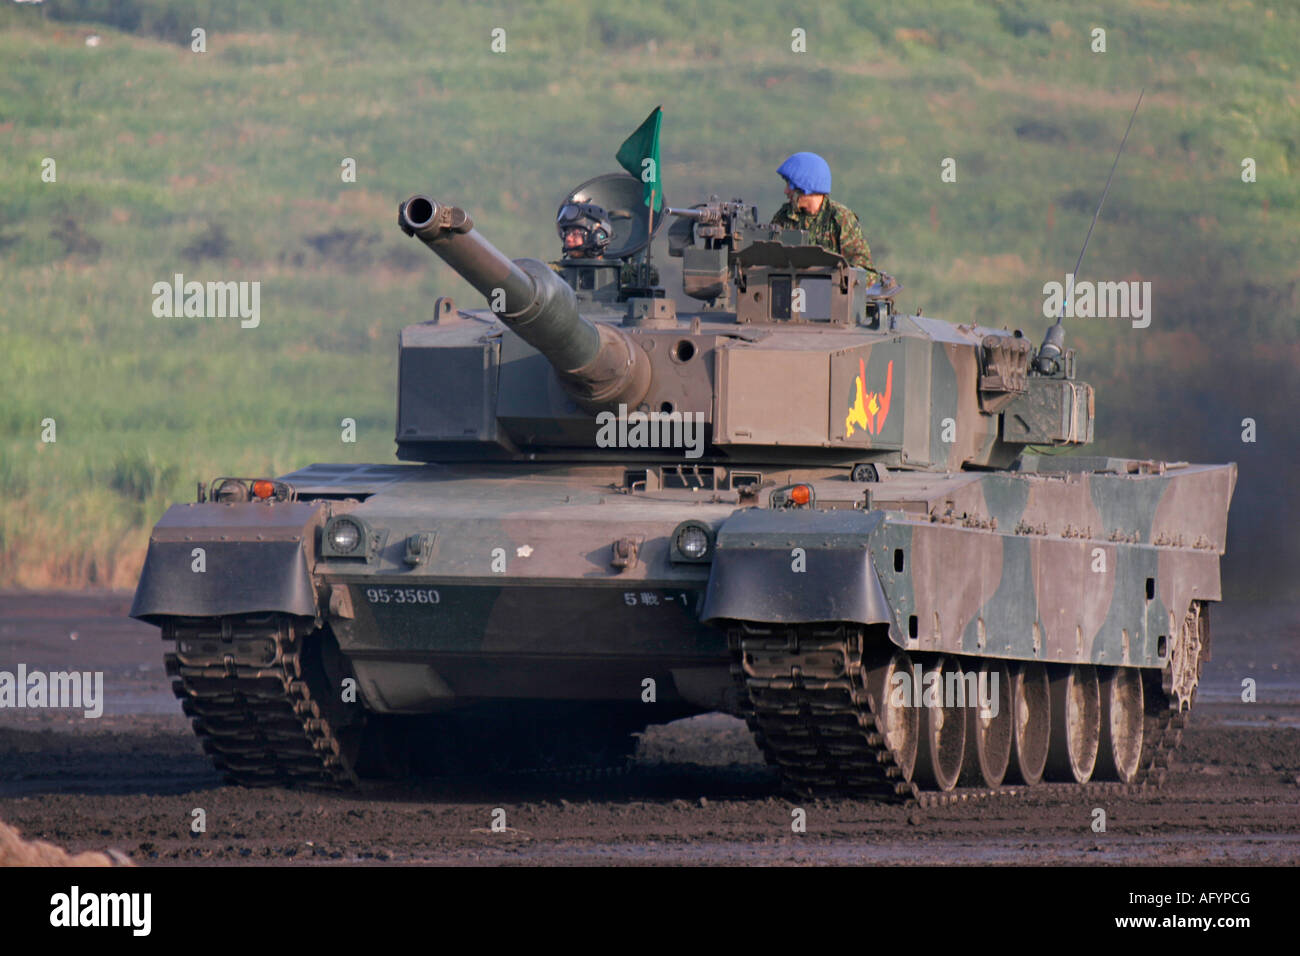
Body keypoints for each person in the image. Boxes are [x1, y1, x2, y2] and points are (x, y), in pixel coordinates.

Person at [770, 152, 880, 284]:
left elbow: (866, 274)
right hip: (792, 297)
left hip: (830, 299)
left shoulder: (840, 219)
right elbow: (769, 261)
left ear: (805, 187)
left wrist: (837, 282)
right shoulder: (784, 217)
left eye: (790, 185)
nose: (786, 191)